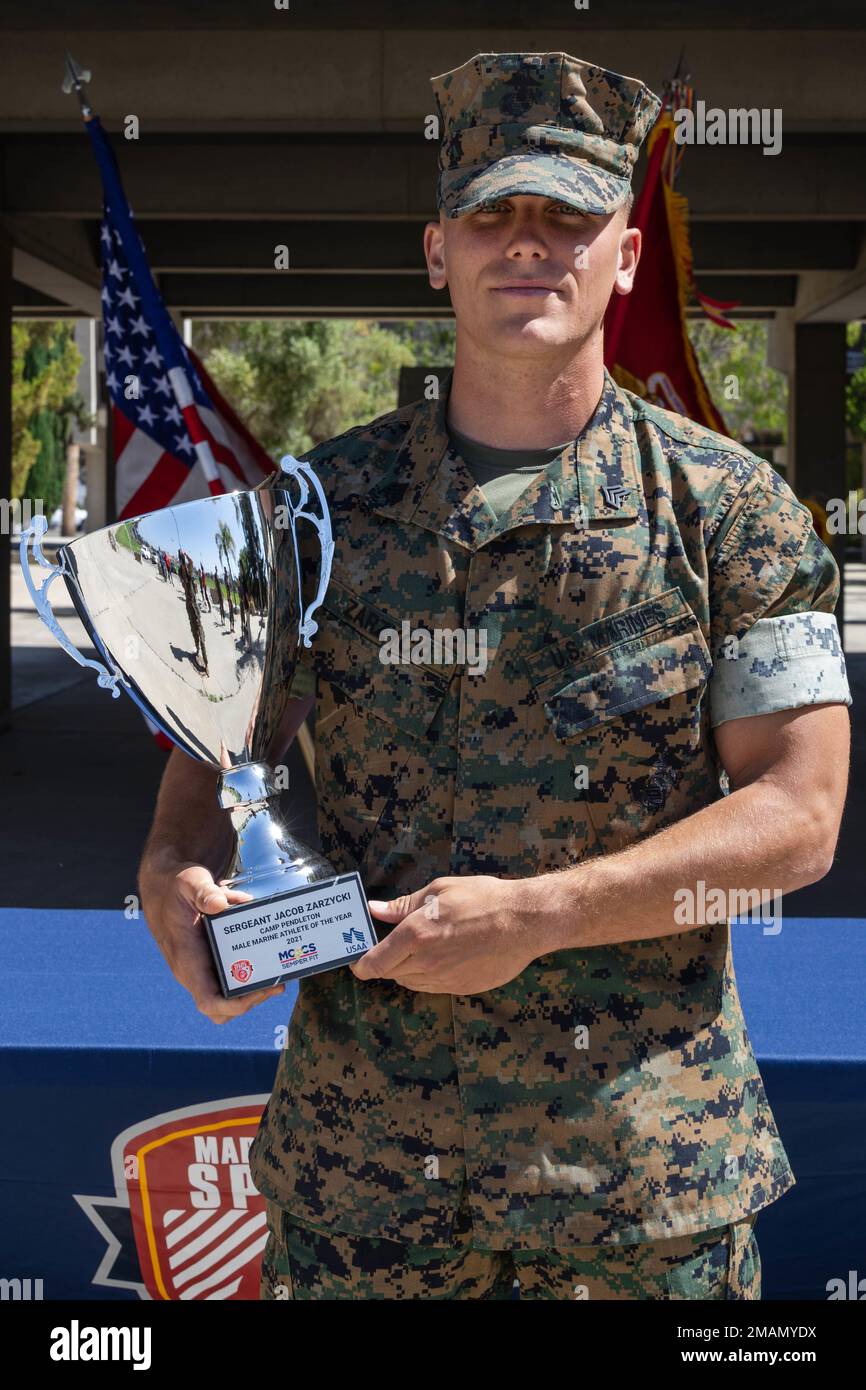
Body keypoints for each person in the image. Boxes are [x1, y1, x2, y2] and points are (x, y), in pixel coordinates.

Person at [137, 51, 852, 1301]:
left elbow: (798, 819)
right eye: (490, 215)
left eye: (566, 217)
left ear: (622, 257)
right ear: (436, 250)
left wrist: (543, 915)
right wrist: (172, 875)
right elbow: (214, 759)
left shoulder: (729, 511)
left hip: (640, 1187)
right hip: (365, 1188)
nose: (527, 245)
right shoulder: (306, 514)